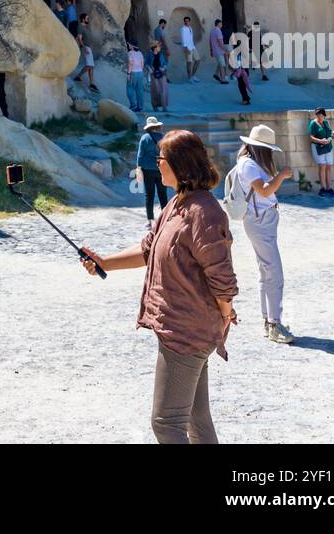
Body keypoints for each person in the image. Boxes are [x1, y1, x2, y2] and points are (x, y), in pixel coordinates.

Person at [81, 131, 238, 445]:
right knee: (196, 420)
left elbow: (223, 278)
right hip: (183, 327)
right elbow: (147, 250)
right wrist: (103, 262)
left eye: (160, 159)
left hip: (187, 331)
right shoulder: (177, 205)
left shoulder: (204, 212)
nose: (156, 164)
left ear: (179, 165)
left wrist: (224, 317)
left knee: (166, 424)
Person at [235, 124, 295, 343]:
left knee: (267, 272)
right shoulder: (248, 164)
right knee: (274, 273)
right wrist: (282, 175)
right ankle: (274, 324)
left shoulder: (250, 163)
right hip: (259, 221)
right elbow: (265, 190)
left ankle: (269, 321)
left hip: (263, 219)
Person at [136, 116, 168, 224]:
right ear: (157, 126)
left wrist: (138, 168)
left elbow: (140, 155)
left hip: (147, 169)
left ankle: (150, 220)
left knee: (149, 195)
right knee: (162, 193)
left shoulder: (144, 138)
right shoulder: (163, 138)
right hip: (161, 169)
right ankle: (165, 219)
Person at [308, 107, 334, 195]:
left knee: (328, 166)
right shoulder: (313, 123)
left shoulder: (326, 122)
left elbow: (330, 133)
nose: (319, 116)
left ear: (324, 115)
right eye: (318, 114)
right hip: (318, 147)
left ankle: (329, 188)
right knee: (322, 166)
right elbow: (311, 137)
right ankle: (323, 188)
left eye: (321, 115)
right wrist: (320, 141)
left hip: (328, 147)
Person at [145, 39, 170, 111]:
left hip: (162, 74)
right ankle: (155, 106)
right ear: (154, 47)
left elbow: (165, 63)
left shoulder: (161, 55)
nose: (160, 47)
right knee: (155, 91)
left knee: (163, 90)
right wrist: (149, 69)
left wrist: (164, 68)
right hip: (154, 74)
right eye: (158, 46)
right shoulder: (150, 55)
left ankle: (164, 107)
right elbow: (146, 63)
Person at [231, 32, 251, 105]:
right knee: (244, 84)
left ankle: (245, 99)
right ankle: (246, 97)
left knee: (241, 85)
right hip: (245, 70)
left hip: (241, 70)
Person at [126, 41, 145, 113]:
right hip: (140, 72)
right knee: (139, 90)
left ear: (132, 46)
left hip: (133, 72)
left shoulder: (130, 53)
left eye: (129, 45)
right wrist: (140, 70)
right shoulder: (140, 53)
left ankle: (133, 105)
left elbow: (130, 63)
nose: (128, 46)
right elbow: (142, 63)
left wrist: (128, 73)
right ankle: (140, 106)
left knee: (129, 88)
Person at [180, 15, 199, 82]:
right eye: (185, 21)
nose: (186, 22)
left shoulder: (190, 28)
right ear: (184, 22)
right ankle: (190, 78)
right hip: (187, 47)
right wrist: (185, 48)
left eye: (187, 21)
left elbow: (190, 38)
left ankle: (193, 75)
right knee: (189, 62)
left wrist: (193, 45)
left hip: (192, 47)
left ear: (189, 21)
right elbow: (183, 38)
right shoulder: (183, 29)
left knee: (198, 60)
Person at [209, 19, 229, 83]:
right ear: (218, 24)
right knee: (222, 65)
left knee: (220, 63)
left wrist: (211, 50)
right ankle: (223, 79)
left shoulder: (212, 31)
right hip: (219, 51)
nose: (222, 25)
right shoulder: (218, 31)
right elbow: (220, 43)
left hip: (215, 50)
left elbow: (210, 41)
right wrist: (226, 50)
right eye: (221, 24)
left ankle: (216, 74)